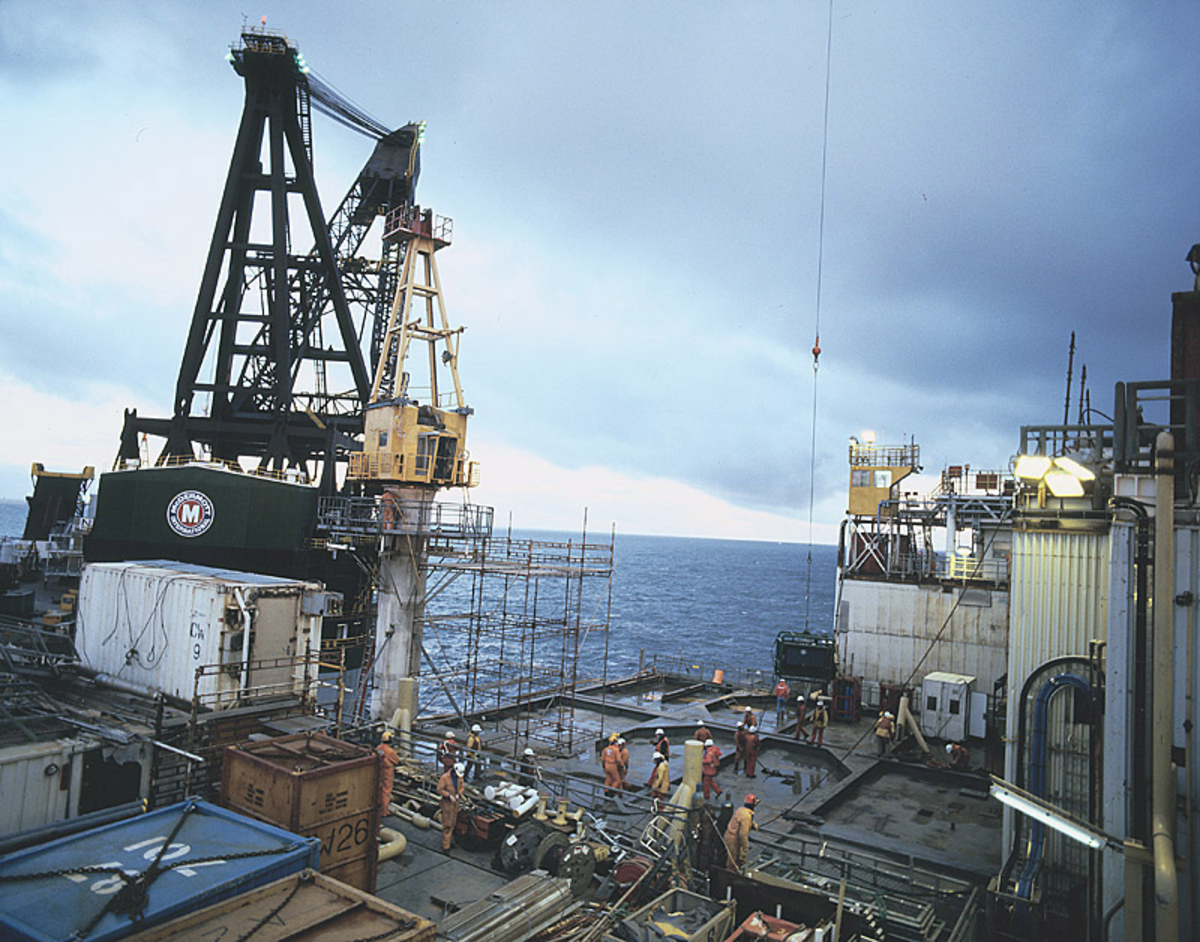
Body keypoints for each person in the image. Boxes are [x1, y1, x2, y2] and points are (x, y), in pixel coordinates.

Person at [723, 794, 759, 871]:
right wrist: (745, 849)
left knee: (736, 859)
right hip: (733, 839)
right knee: (732, 862)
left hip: (730, 835)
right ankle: (730, 875)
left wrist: (753, 824)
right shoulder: (746, 816)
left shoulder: (741, 810)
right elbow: (743, 834)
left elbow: (745, 821)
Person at [437, 761, 466, 850]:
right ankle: (446, 847)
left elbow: (461, 787)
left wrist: (459, 793)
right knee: (447, 825)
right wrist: (449, 795)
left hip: (455, 804)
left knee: (453, 823)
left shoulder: (459, 778)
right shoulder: (445, 778)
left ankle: (448, 842)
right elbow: (439, 790)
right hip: (447, 805)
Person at [376, 729, 400, 824]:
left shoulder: (379, 748)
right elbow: (397, 760)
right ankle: (384, 811)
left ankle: (378, 807)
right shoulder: (390, 751)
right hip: (387, 771)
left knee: (379, 788)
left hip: (379, 770)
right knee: (386, 790)